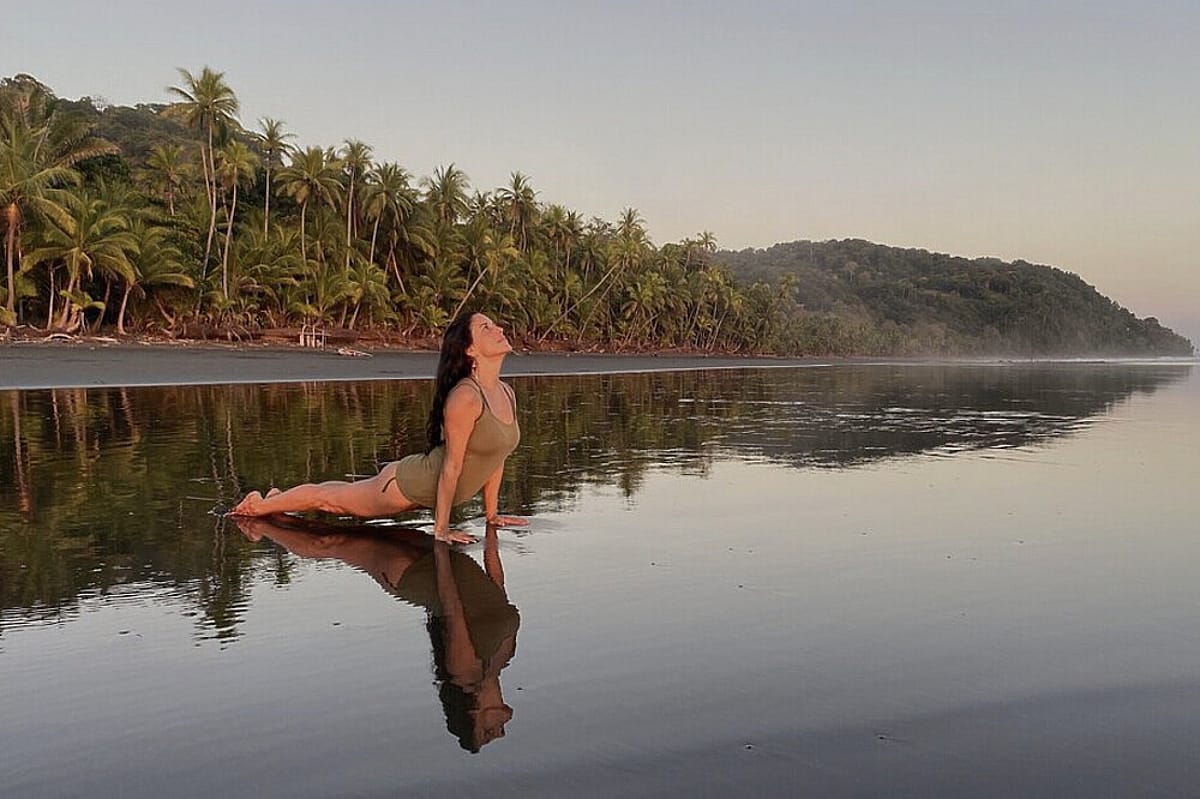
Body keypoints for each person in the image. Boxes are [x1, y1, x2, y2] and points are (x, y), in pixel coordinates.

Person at [231, 312, 527, 544]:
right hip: (406, 485)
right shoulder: (466, 397)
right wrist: (441, 530)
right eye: (485, 328)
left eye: (495, 325)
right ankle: (256, 506)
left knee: (337, 493)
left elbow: (496, 455)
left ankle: (277, 499)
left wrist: (492, 515)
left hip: (424, 488)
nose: (499, 329)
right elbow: (451, 467)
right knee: (330, 503)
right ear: (470, 350)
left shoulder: (506, 392)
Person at [234, 515, 520, 751]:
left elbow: (451, 608)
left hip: (413, 576)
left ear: (472, 715)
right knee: (356, 532)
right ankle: (274, 512)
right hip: (439, 566)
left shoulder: (465, 673)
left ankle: (260, 524)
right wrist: (489, 541)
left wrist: (441, 557)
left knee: (333, 543)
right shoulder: (503, 657)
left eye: (486, 734)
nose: (500, 732)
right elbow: (497, 587)